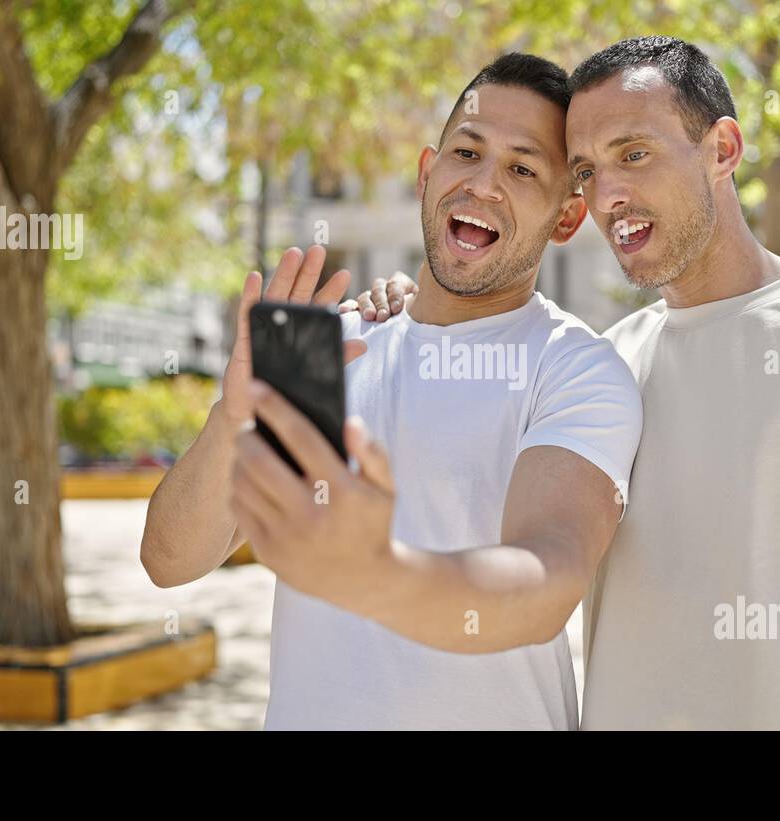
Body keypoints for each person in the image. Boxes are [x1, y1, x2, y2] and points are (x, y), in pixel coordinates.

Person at [350, 36, 780, 730]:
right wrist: (411, 316)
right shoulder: (609, 364)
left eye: (635, 154)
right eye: (585, 172)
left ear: (723, 150)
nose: (609, 195)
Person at [142, 54, 642, 730]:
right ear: (426, 172)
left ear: (566, 216)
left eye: (523, 168)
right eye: (467, 151)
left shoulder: (577, 369)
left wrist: (376, 572)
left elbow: (547, 581)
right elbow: (170, 561)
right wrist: (232, 416)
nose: (483, 183)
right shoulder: (332, 350)